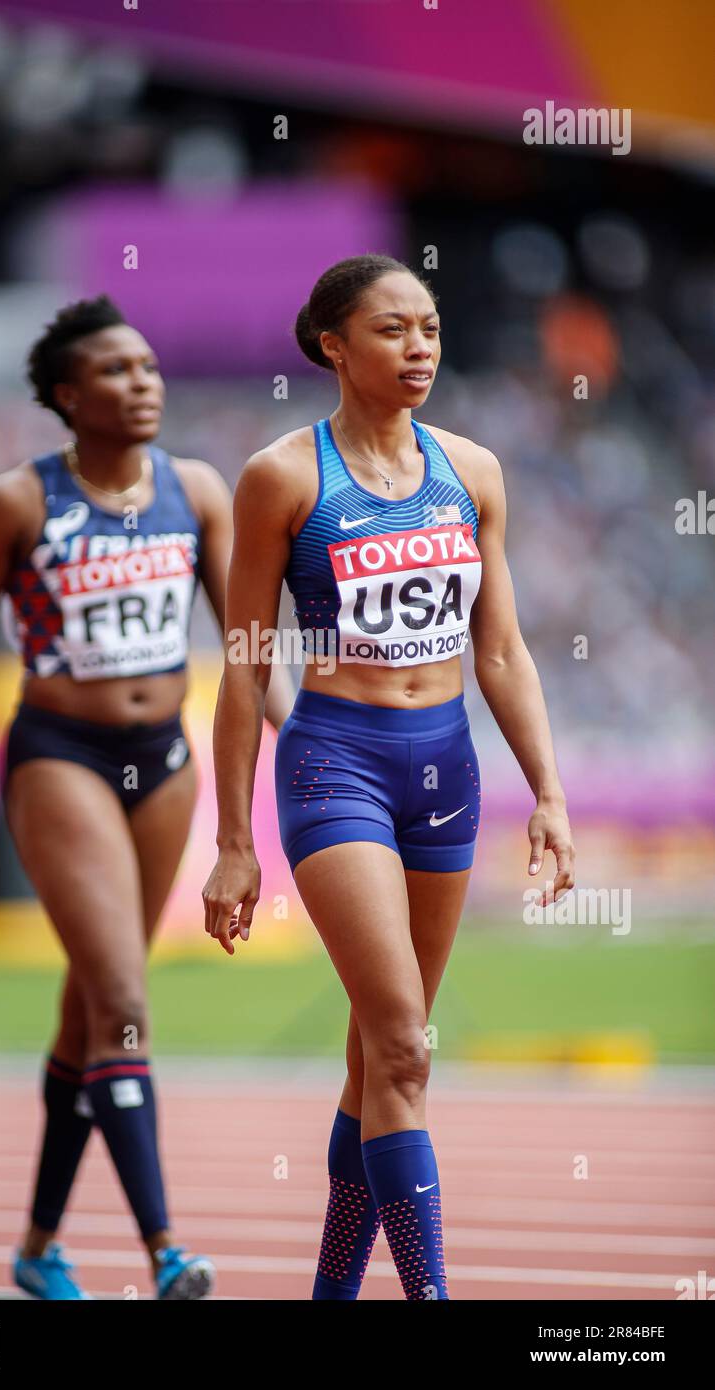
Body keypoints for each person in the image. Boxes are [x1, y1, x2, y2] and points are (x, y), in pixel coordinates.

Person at [0, 294, 292, 1301]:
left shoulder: (195, 489)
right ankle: (165, 1252)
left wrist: (308, 730)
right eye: (116, 370)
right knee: (121, 1001)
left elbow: (244, 642)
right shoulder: (14, 504)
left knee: (85, 1017)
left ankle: (35, 1247)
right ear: (68, 395)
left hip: (163, 759)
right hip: (58, 757)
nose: (143, 382)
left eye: (150, 366)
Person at [202, 254, 575, 1301]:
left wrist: (545, 789)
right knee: (407, 1044)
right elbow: (242, 665)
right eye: (391, 329)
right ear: (332, 345)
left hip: (443, 765)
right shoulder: (283, 476)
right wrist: (234, 844)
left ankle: (330, 1293)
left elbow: (498, 651)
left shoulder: (473, 470)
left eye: (430, 328)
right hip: (334, 761)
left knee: (379, 1059)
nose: (419, 348)